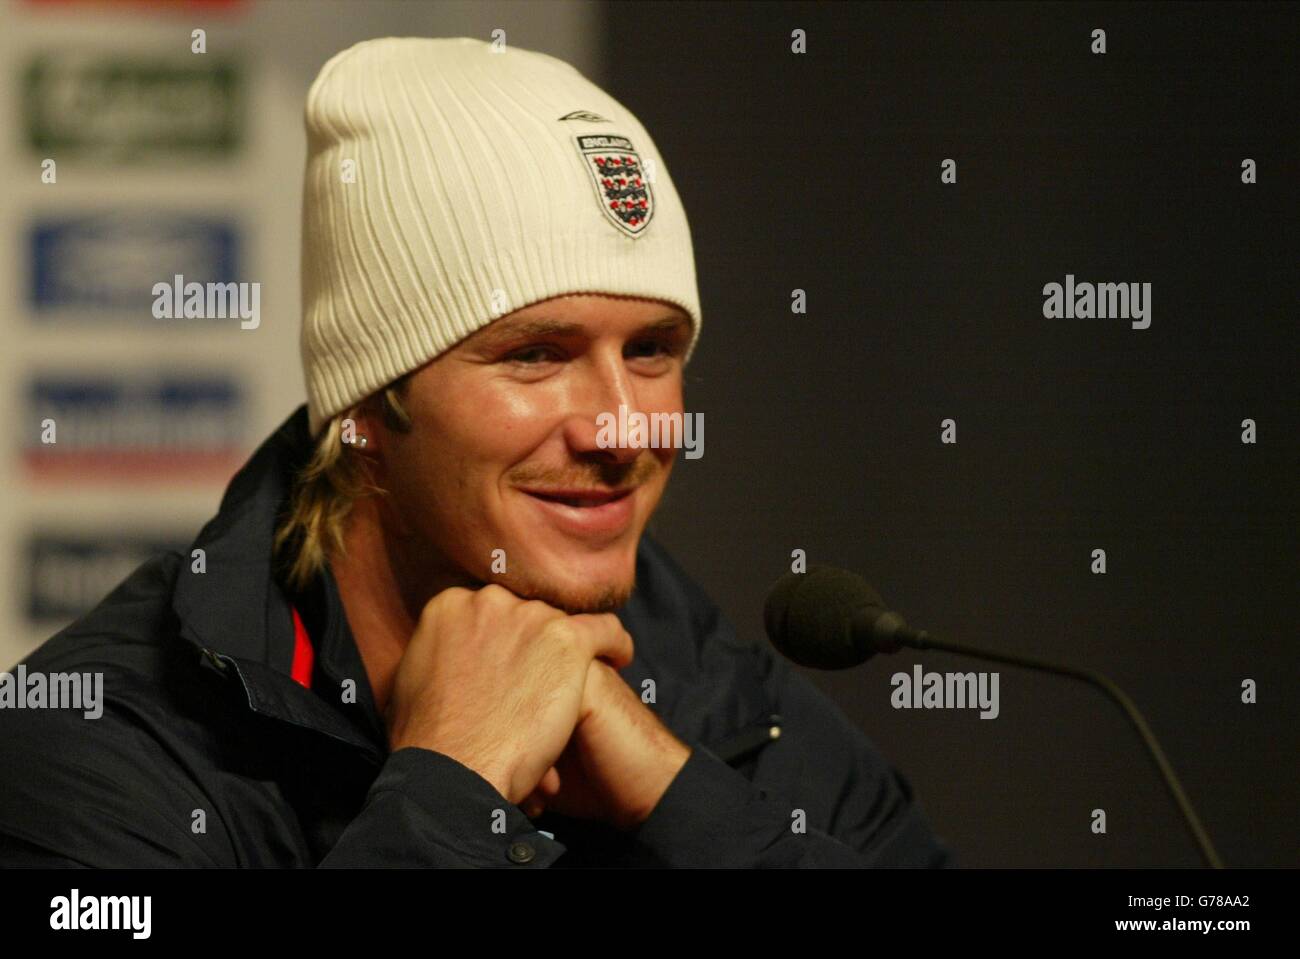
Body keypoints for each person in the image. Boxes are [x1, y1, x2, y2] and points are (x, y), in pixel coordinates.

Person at [0, 37, 951, 868]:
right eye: (537, 356)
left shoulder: (738, 714)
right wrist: (450, 791)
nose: (623, 426)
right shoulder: (97, 747)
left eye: (653, 350)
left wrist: (682, 803)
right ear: (369, 400)